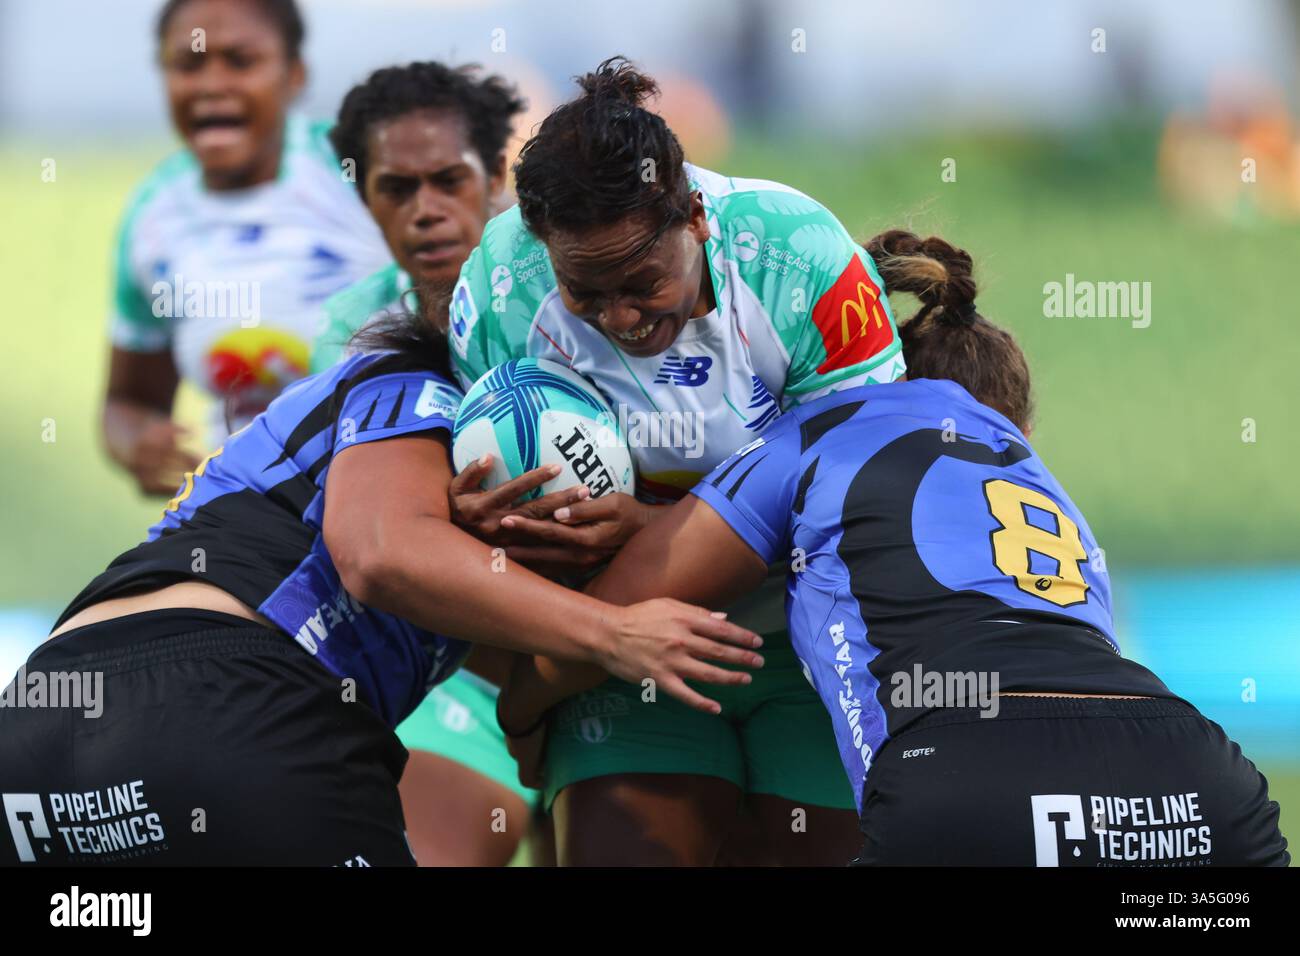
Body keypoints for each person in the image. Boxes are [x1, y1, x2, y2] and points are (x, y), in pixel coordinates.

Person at [499, 230, 1291, 867]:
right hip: (1195, 772)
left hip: (967, 771)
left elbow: (624, 603)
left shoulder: (830, 427)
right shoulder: (1047, 488)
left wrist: (522, 708)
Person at [0, 315, 762, 867]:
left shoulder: (442, 506)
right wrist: (614, 633)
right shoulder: (418, 386)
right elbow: (380, 556)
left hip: (40, 721)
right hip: (227, 702)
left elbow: (518, 681)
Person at [448, 57, 906, 865]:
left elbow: (873, 498)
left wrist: (657, 533)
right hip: (619, 654)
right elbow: (448, 536)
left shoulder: (800, 256)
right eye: (585, 295)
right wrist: (476, 525)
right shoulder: (499, 287)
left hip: (808, 642)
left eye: (642, 283)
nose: (621, 317)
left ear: (694, 216)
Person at [312, 62, 543, 866]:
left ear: (497, 178)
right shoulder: (351, 329)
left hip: (616, 653)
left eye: (448, 180)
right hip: (455, 674)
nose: (426, 212)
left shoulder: (575, 293)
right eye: (396, 189)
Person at [105, 0, 389, 495]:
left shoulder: (361, 168)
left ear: (294, 75)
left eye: (241, 61)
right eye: (188, 64)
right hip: (246, 511)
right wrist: (138, 446)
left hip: (388, 489)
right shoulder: (153, 217)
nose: (212, 85)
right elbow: (127, 400)